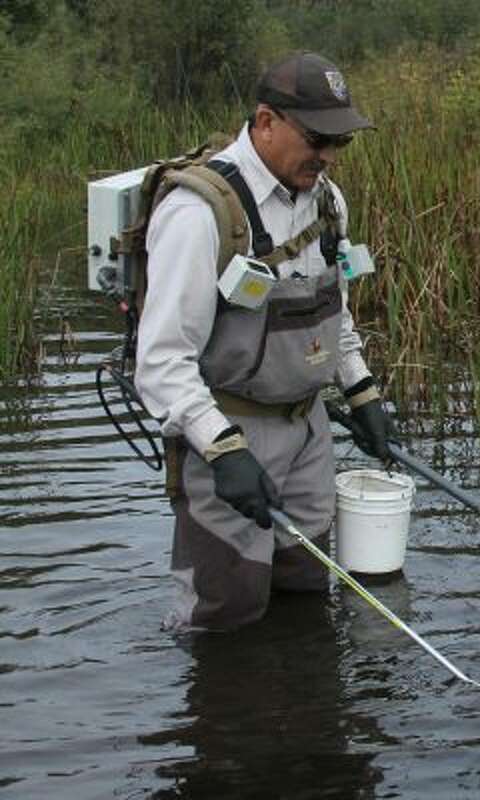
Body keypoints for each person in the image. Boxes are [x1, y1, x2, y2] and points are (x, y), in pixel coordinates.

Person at [136, 52, 394, 631]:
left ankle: (304, 712)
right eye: (317, 138)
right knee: (227, 610)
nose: (328, 156)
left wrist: (361, 390)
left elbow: (336, 308)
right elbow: (161, 362)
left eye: (340, 142)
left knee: (305, 591)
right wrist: (224, 452)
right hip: (227, 434)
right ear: (265, 121)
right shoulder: (198, 213)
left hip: (308, 433)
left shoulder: (328, 201)